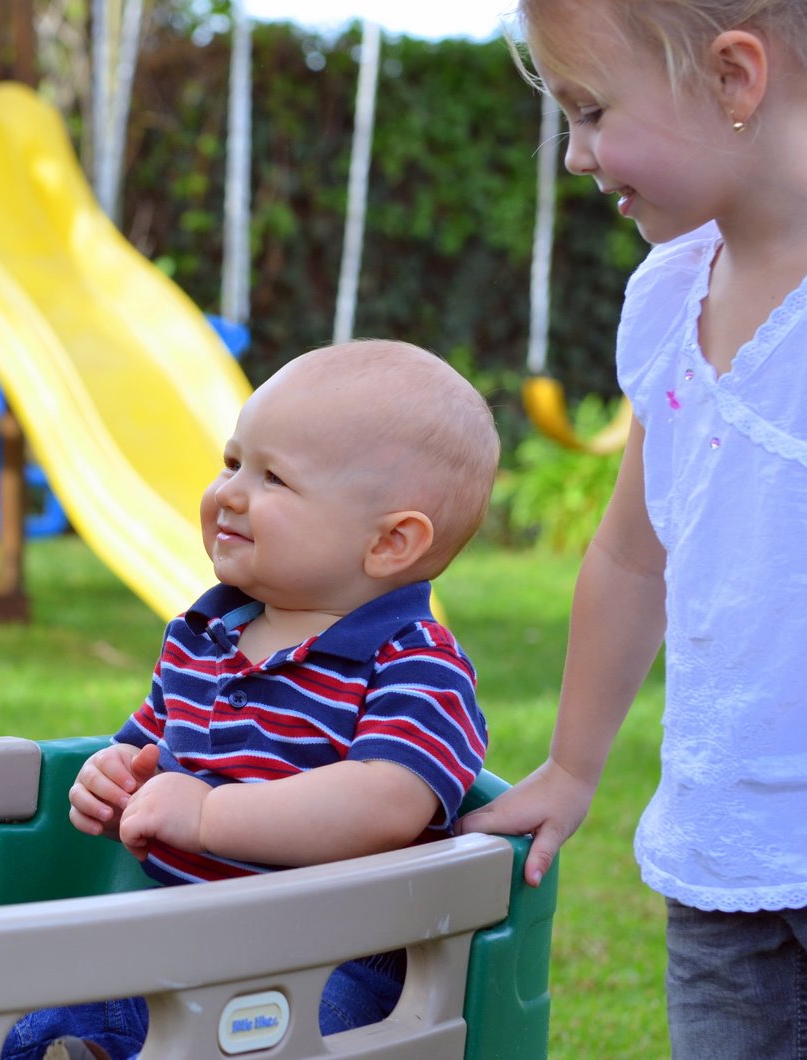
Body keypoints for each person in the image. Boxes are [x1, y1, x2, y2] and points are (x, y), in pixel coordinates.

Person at [456, 2, 807, 1056]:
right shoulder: (666, 301)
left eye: (592, 110)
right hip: (723, 862)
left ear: (734, 80)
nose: (575, 156)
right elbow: (628, 555)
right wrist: (569, 768)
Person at [4, 339, 499, 1060]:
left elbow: (387, 802)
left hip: (327, 961)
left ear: (391, 542)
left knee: (288, 1044)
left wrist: (208, 814)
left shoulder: (414, 665)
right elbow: (144, 755)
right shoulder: (201, 635)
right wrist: (116, 786)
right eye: (232, 462)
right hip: (171, 935)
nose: (229, 492)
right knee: (27, 1010)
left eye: (275, 479)